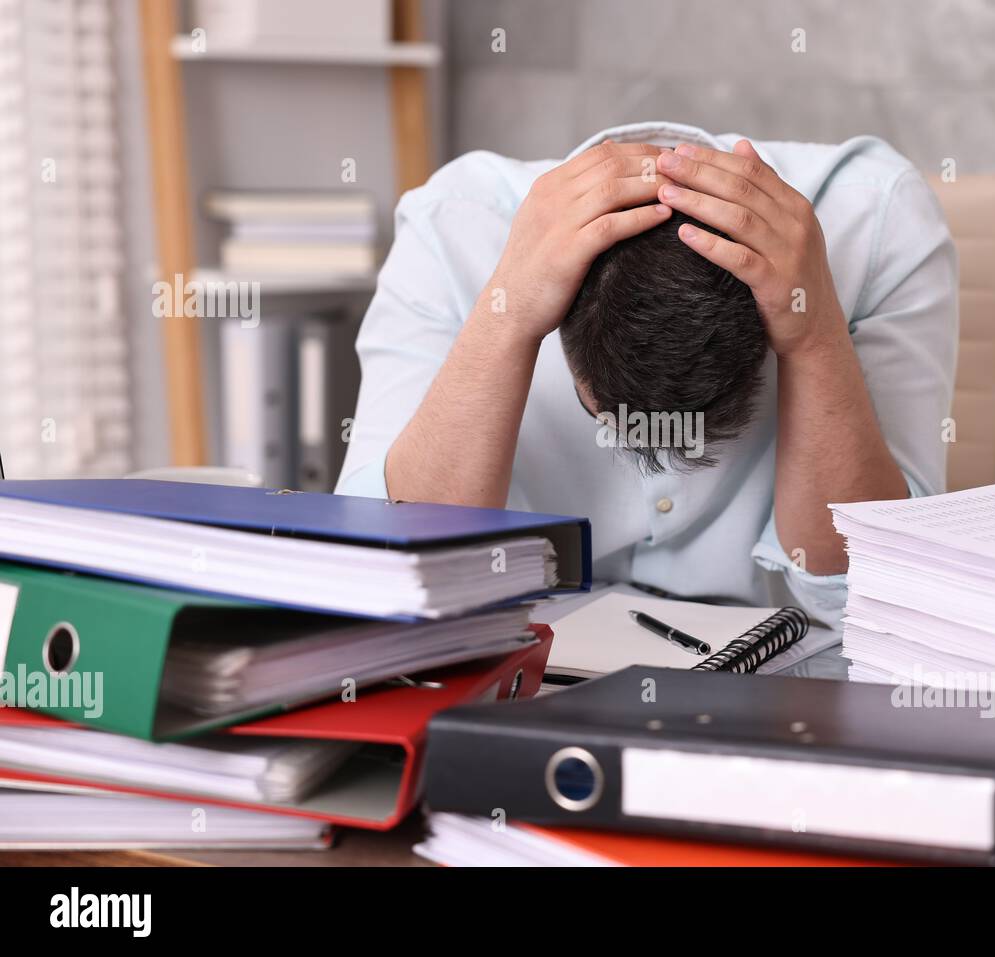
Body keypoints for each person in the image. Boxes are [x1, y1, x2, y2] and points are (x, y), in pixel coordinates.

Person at [337, 121, 957, 622]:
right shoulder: (450, 229)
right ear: (563, 338)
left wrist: (816, 337)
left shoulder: (877, 221)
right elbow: (383, 568)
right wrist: (505, 317)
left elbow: (873, 595)